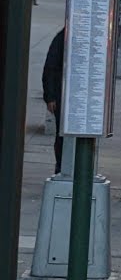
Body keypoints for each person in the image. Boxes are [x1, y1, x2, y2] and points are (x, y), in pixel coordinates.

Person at [41, 28, 65, 174]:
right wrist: (50, 96)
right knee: (61, 134)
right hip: (62, 94)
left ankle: (62, 166)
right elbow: (50, 68)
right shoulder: (62, 38)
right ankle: (60, 166)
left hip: (64, 94)